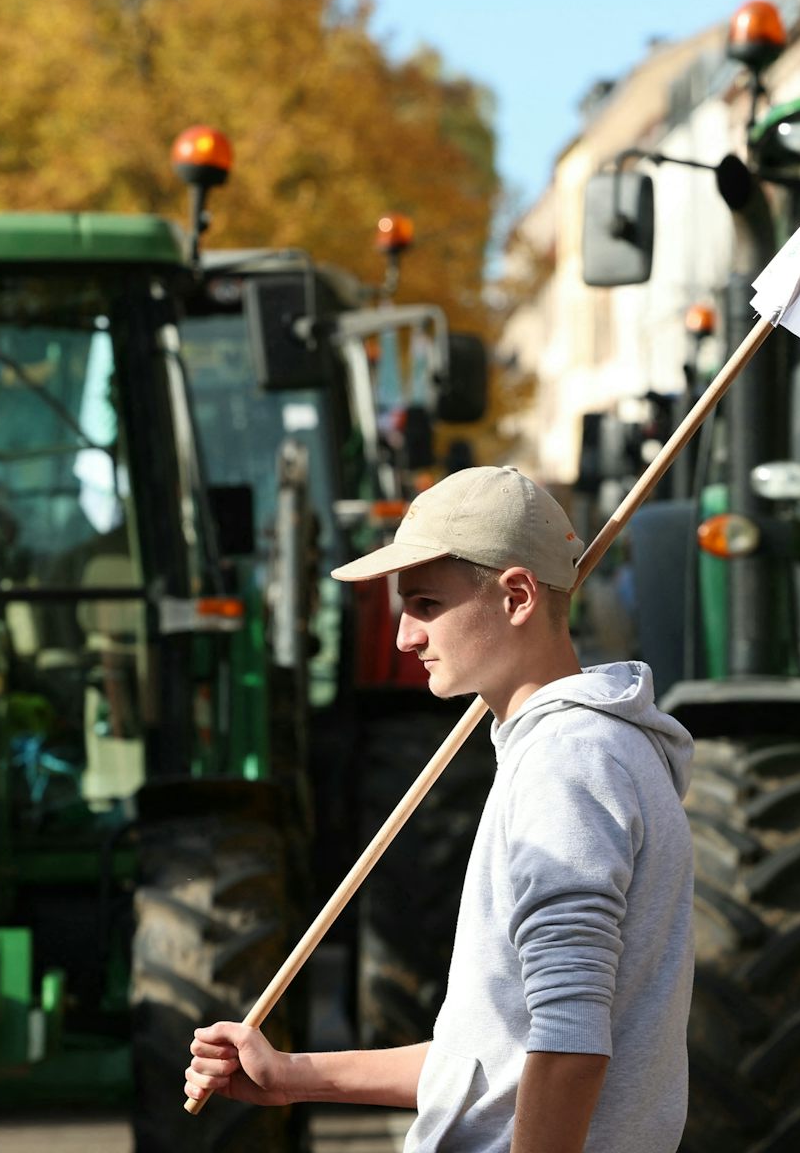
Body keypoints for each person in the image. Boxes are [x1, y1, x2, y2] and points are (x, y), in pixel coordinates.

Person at [186, 466, 695, 1153]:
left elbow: (571, 1039)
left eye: (425, 604)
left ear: (517, 595)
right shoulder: (582, 749)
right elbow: (488, 1063)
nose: (404, 637)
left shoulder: (569, 763)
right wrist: (289, 1075)